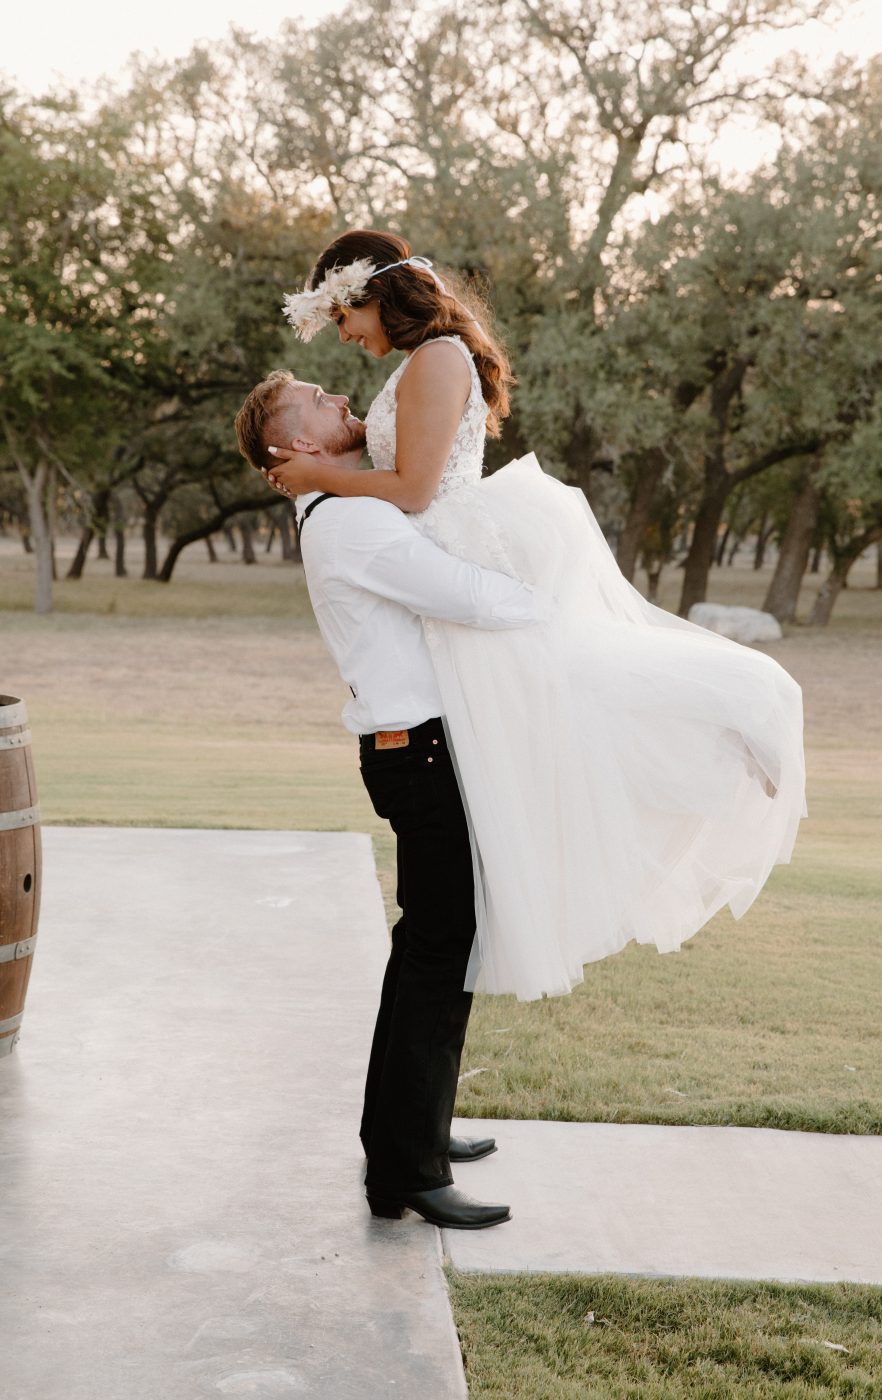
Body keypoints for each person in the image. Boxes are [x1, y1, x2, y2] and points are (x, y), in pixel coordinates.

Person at [254, 229, 808, 1005]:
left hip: (461, 547)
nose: (343, 336)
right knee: (555, 711)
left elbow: (414, 490)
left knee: (580, 673)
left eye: (342, 316)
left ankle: (736, 708)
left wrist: (317, 473)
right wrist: (327, 477)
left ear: (373, 296)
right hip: (438, 570)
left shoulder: (439, 358)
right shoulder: (422, 364)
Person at [234, 370, 551, 1229]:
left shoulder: (342, 508)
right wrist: (555, 600)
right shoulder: (354, 521)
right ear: (297, 446)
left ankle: (414, 1138)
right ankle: (407, 1169)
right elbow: (470, 599)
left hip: (414, 752)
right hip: (421, 756)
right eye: (320, 402)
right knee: (440, 951)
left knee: (432, 948)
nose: (342, 399)